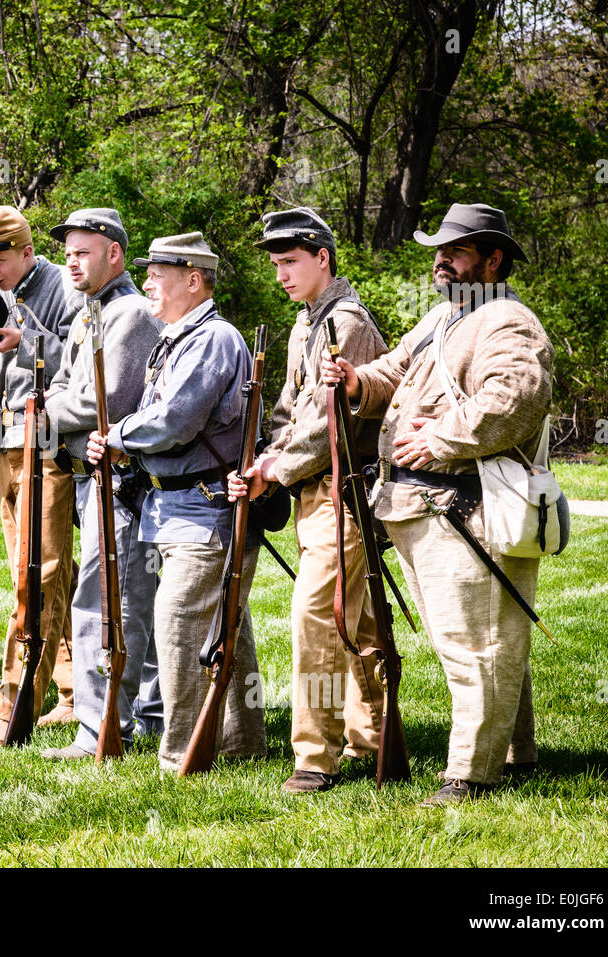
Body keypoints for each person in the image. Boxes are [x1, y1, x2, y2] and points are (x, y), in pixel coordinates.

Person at [321, 202, 551, 806]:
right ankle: (514, 753)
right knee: (488, 635)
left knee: (472, 643)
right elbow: (391, 373)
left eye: (456, 251)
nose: (441, 262)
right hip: (422, 504)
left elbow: (516, 399)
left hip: (463, 504)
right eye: (439, 252)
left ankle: (468, 776)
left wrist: (440, 437)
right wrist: (354, 380)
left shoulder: (506, 320)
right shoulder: (442, 319)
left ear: (493, 260)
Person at [87, 232, 266, 773]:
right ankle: (241, 741)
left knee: (179, 623)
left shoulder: (212, 338)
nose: (147, 285)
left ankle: (181, 754)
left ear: (193, 280)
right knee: (224, 627)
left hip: (206, 508)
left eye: (158, 275)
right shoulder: (177, 338)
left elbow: (174, 419)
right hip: (180, 507)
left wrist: (116, 436)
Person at [227, 207, 388, 792]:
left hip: (344, 489)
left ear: (323, 257)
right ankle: (373, 738)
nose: (281, 276)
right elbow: (286, 413)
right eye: (275, 264)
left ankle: (315, 756)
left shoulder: (346, 323)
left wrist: (275, 467)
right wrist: (263, 456)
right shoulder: (305, 324)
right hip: (312, 492)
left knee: (315, 619)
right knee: (355, 622)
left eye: (290, 262)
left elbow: (330, 422)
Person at [37, 208, 164, 760]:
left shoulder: (131, 314)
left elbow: (103, 402)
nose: (70, 259)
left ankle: (98, 730)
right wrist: (58, 402)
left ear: (114, 253)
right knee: (134, 601)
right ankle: (144, 718)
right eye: (66, 251)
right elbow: (69, 385)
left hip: (118, 481)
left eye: (82, 250)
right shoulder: (89, 313)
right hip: (93, 477)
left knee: (102, 602)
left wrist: (45, 408)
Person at [0, 205, 80, 745]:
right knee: (29, 569)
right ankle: (73, 691)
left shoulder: (63, 289)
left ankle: (13, 706)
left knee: (41, 571)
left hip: (48, 443)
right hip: (9, 442)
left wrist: (25, 341)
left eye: (0, 257)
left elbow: (80, 365)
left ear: (27, 251)